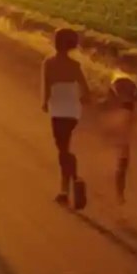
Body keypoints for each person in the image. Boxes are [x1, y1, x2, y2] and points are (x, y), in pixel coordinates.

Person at [42, 27, 92, 209]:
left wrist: (45, 102)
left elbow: (46, 85)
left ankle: (72, 183)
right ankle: (68, 186)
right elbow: (85, 88)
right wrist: (86, 99)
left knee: (62, 149)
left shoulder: (49, 63)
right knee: (65, 147)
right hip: (72, 108)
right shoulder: (75, 65)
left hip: (58, 107)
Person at [108, 73, 137, 205]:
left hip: (118, 140)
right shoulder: (132, 110)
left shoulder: (117, 108)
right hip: (123, 141)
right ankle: (119, 193)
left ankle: (119, 193)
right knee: (121, 165)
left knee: (120, 165)